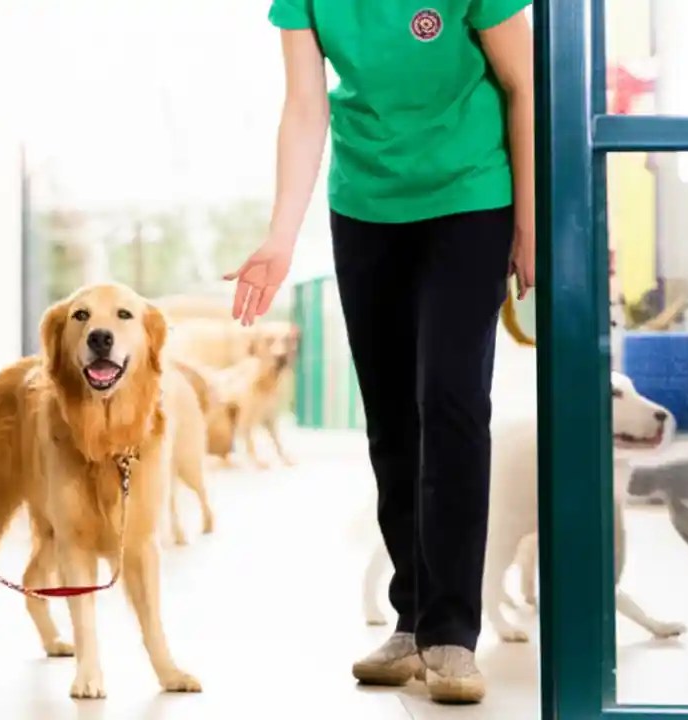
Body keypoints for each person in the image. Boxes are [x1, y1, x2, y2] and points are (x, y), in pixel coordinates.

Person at [226, 0, 535, 705]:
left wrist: (529, 221)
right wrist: (279, 238)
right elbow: (305, 109)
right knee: (393, 420)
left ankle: (453, 633)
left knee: (450, 402)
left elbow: (524, 85)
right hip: (365, 207)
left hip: (470, 195)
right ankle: (414, 618)